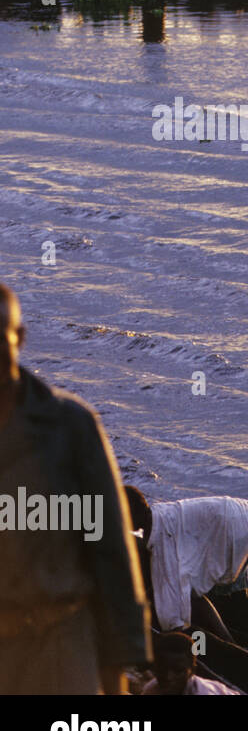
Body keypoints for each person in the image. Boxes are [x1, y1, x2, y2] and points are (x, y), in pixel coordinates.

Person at [0, 282, 151, 694]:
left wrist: (118, 667)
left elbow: (110, 550)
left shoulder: (70, 426)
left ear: (18, 337)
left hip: (63, 646)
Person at [124, 487, 248, 640]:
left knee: (191, 594)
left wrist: (174, 634)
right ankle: (230, 629)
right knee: (199, 585)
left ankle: (227, 640)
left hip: (240, 528)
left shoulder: (166, 544)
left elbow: (172, 617)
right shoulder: (161, 514)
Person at [141, 631, 241, 695]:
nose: (168, 677)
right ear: (154, 667)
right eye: (162, 668)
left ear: (192, 671)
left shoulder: (202, 692)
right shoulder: (151, 689)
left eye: (178, 671)